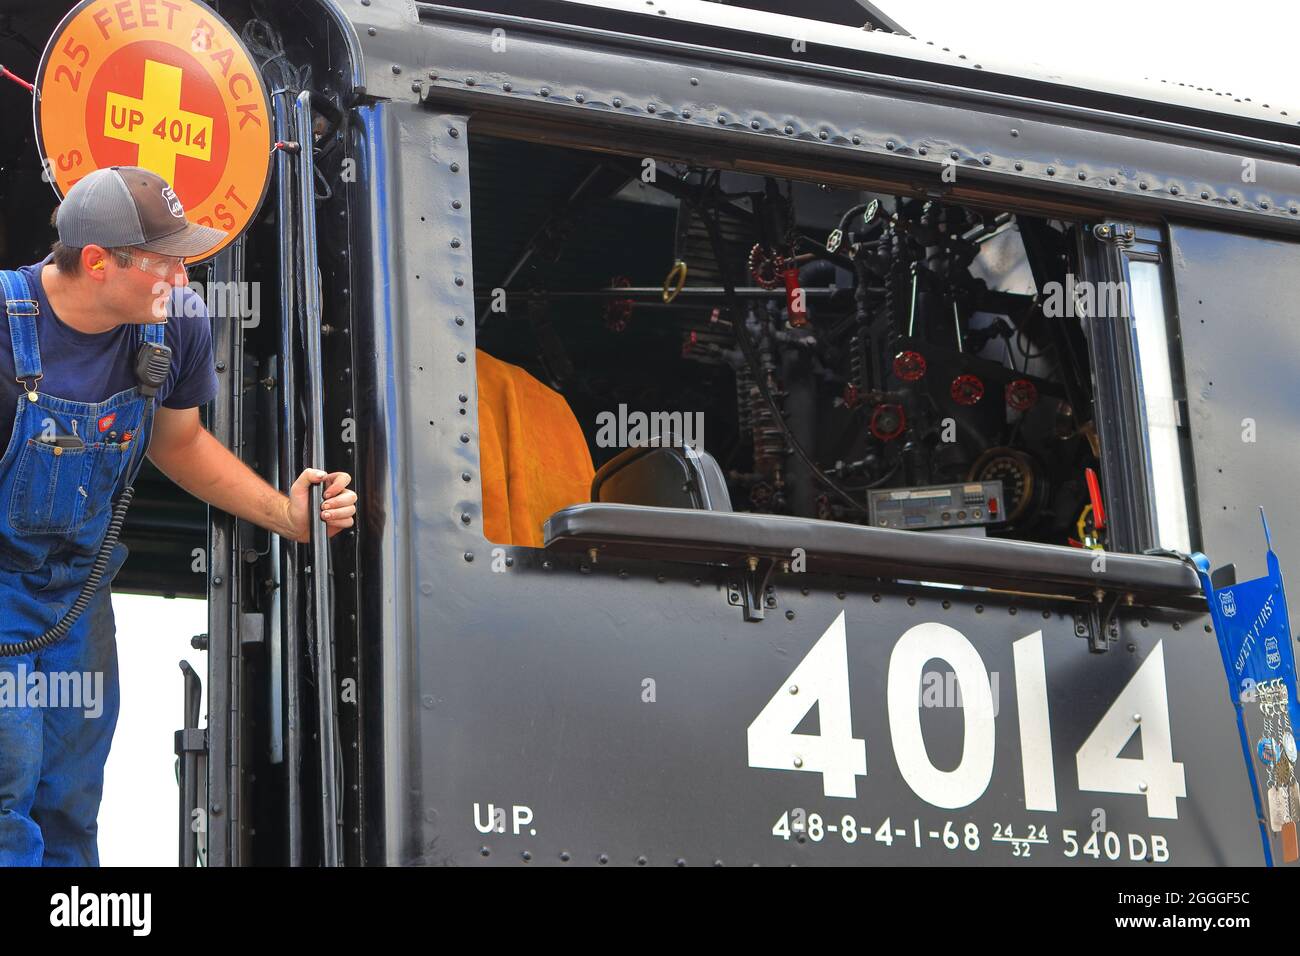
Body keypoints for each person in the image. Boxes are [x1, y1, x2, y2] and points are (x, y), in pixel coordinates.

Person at [0, 165, 358, 866]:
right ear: (98, 262)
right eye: (167, 263)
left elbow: (180, 440)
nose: (185, 281)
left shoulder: (173, 327)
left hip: (78, 594)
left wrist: (283, 515)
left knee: (70, 803)